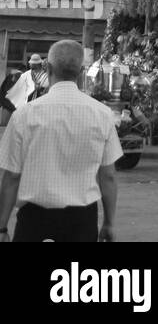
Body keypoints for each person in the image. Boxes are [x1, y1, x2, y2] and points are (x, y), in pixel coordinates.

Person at [0, 40, 121, 242]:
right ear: (81, 72)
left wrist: (2, 228)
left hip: (34, 221)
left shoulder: (24, 115)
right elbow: (108, 177)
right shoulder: (102, 114)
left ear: (47, 68)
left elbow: (11, 177)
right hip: (82, 222)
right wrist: (109, 223)